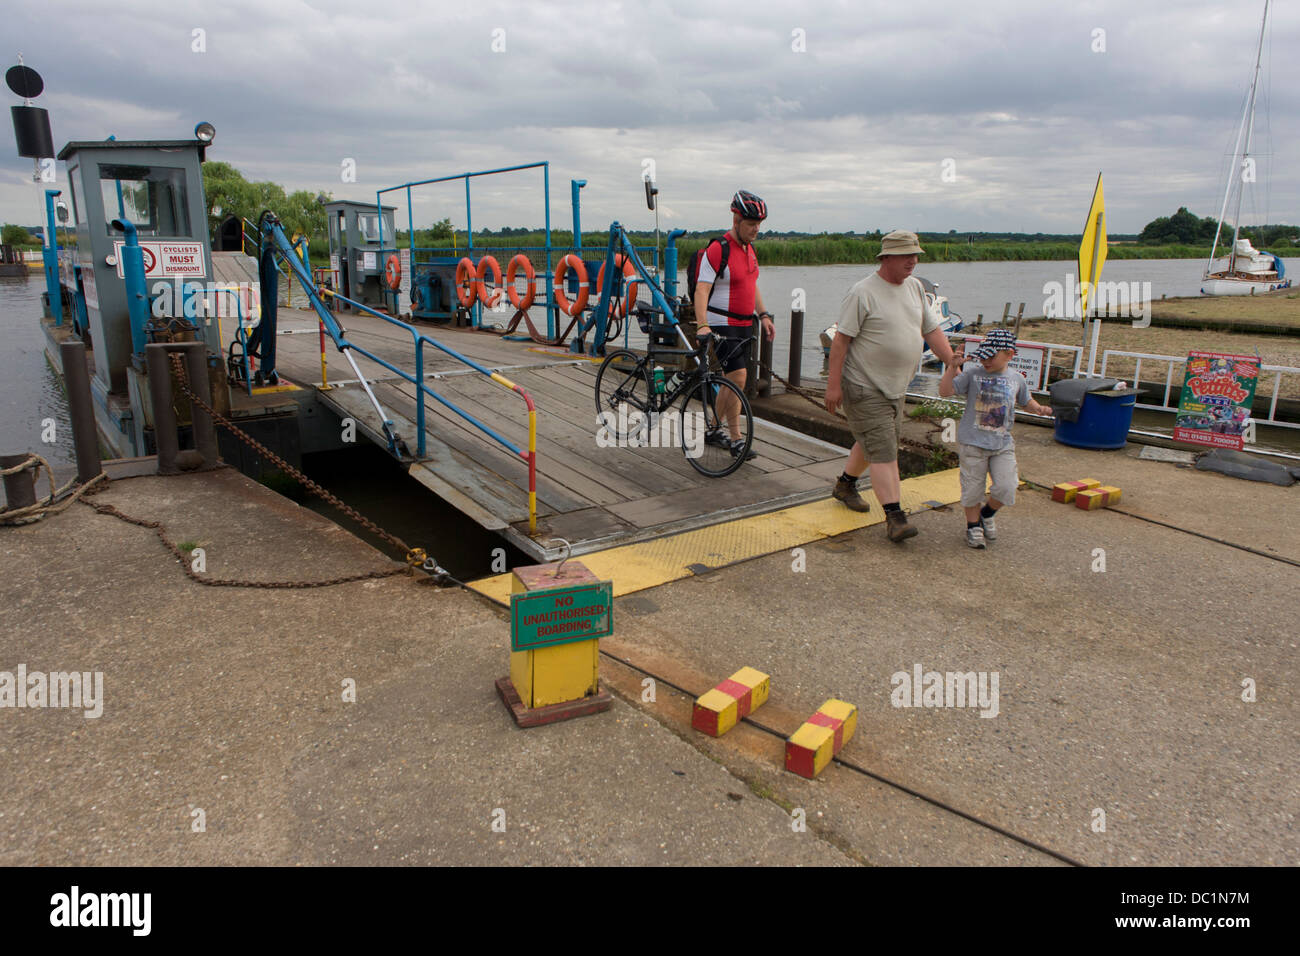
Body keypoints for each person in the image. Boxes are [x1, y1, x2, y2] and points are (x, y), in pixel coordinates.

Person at [825, 230, 957, 542]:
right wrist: (833, 386)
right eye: (905, 255)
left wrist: (952, 359)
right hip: (863, 384)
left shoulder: (914, 288)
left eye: (916, 255)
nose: (913, 261)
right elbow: (841, 342)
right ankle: (895, 517)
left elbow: (931, 329)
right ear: (886, 258)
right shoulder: (862, 293)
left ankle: (844, 485)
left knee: (874, 443)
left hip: (896, 386)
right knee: (885, 451)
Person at [939, 327, 1052, 549]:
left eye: (992, 357)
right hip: (973, 443)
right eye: (983, 357)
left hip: (1002, 444)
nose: (986, 362)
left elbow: (1025, 400)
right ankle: (973, 527)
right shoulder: (972, 375)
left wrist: (1038, 408)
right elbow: (945, 391)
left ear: (1010, 354)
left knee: (1008, 486)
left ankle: (987, 513)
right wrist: (953, 367)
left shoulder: (1016, 378)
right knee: (972, 488)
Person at [694, 190, 775, 461]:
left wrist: (763, 315)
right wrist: (702, 324)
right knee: (738, 377)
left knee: (732, 379)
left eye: (759, 225)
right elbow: (702, 289)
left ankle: (714, 428)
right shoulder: (719, 249)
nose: (756, 230)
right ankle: (736, 439)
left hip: (744, 324)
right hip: (720, 323)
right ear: (736, 219)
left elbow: (752, 287)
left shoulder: (750, 250)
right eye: (751, 224)